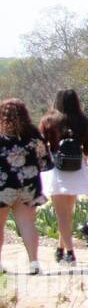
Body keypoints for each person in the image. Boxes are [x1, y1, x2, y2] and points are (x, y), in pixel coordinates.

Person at [39, 89, 88, 265]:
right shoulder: (83, 121)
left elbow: (41, 147)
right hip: (76, 168)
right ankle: (60, 248)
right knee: (68, 213)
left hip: (56, 169)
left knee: (62, 214)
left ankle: (70, 253)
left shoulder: (49, 120)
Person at [0, 99, 50, 275]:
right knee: (27, 224)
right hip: (28, 185)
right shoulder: (33, 134)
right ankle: (34, 263)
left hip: (2, 185)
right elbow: (44, 161)